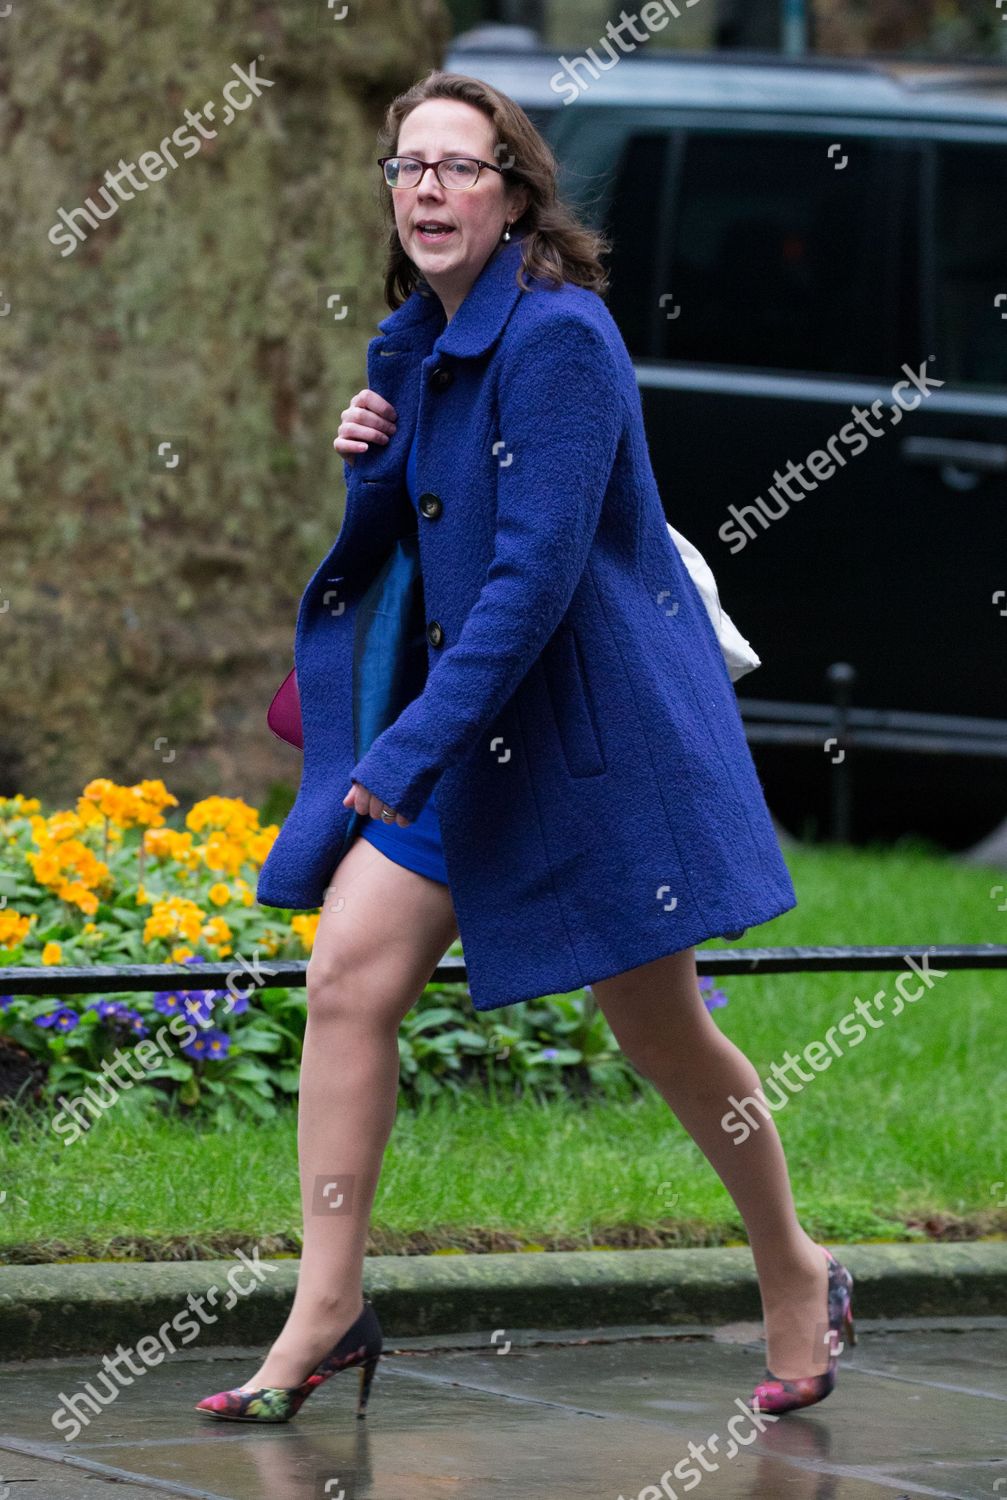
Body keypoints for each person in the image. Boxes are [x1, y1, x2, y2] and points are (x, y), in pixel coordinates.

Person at [195, 70, 854, 1427]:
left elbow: (534, 578)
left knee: (663, 1039)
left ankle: (795, 1266)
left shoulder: (561, 341)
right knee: (345, 984)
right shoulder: (416, 342)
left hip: (578, 751)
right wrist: (371, 462)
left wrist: (410, 744)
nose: (429, 188)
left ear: (513, 193)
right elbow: (423, 549)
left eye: (460, 166)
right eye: (408, 169)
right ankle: (328, 1307)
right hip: (467, 752)